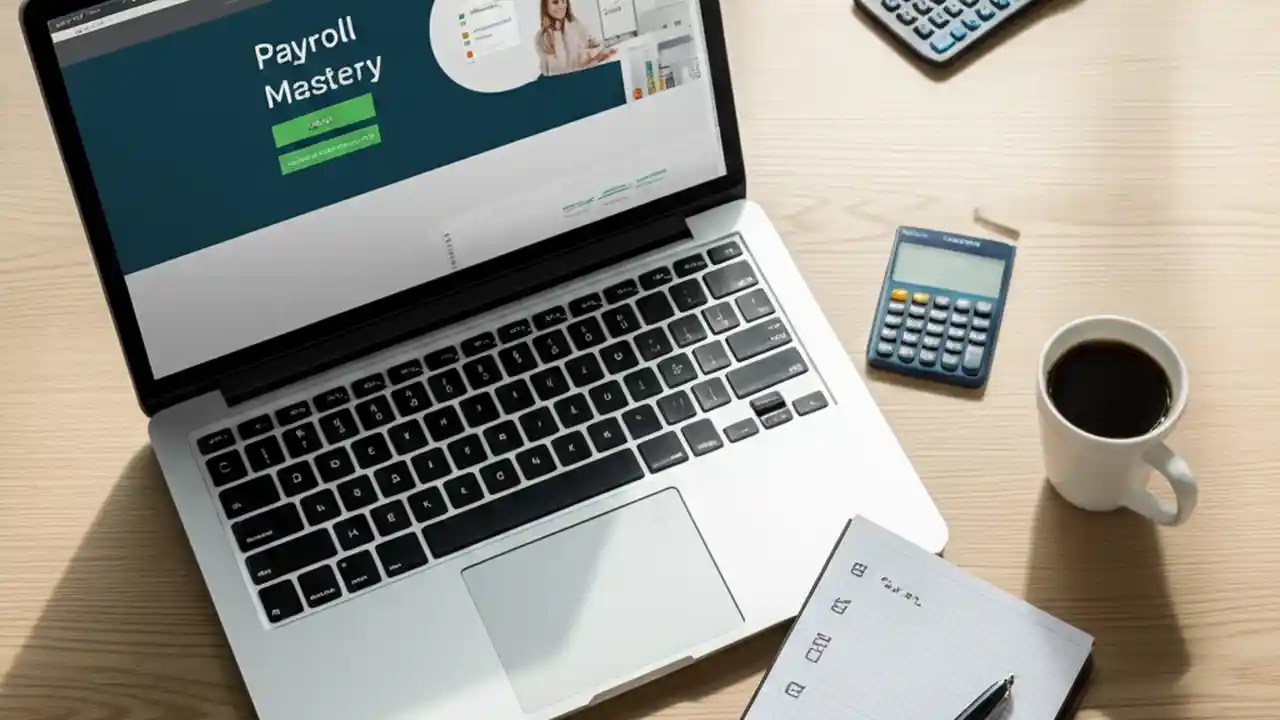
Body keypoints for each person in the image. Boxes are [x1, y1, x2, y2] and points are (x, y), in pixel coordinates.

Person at [536, 0, 616, 76]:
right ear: (546, 6)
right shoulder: (542, 37)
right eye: (555, 2)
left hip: (587, 76)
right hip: (564, 82)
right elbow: (561, 69)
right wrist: (594, 56)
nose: (561, 6)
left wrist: (601, 53)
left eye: (563, 1)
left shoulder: (576, 25)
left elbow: (592, 44)